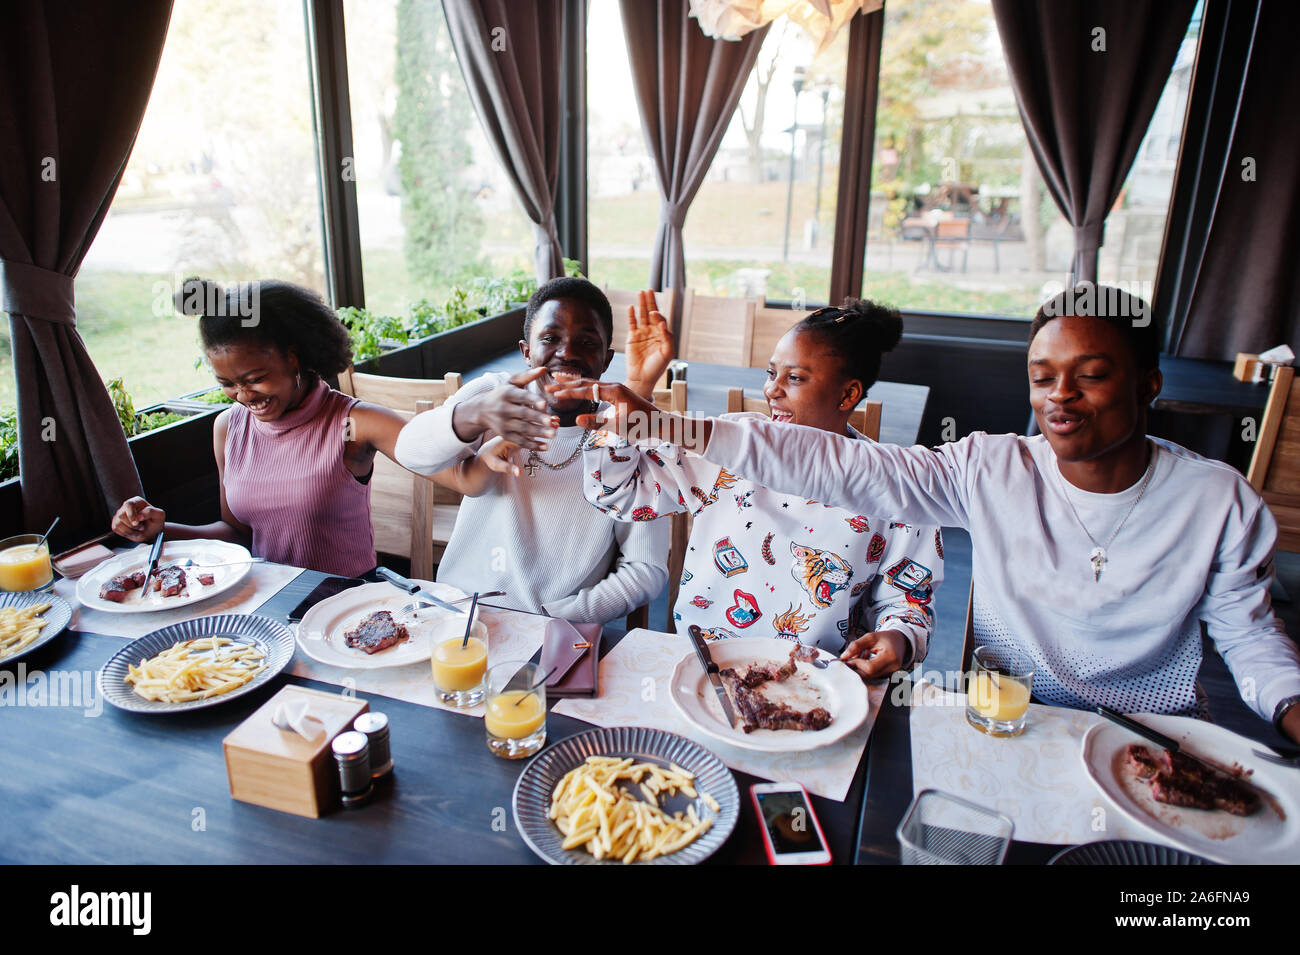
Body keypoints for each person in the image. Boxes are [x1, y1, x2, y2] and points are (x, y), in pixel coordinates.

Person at [552, 285, 1300, 743]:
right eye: (1042, 377)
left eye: (1091, 375)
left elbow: (1248, 631)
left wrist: (901, 640)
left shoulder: (1218, 501)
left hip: (1139, 728)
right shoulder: (987, 467)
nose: (1060, 396)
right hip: (714, 672)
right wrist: (647, 415)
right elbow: (812, 460)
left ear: (1148, 383)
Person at [572, 300, 944, 680]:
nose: (772, 390)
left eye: (795, 378)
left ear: (848, 395)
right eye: (771, 373)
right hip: (705, 671)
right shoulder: (725, 446)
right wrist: (638, 387)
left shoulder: (896, 485)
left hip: (821, 682)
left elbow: (910, 600)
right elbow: (615, 493)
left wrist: (898, 636)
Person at [392, 277, 668, 624]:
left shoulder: (631, 435)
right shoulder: (494, 394)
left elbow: (646, 569)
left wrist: (551, 618)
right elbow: (409, 451)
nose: (567, 353)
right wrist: (475, 415)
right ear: (526, 352)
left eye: (586, 342)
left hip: (553, 630)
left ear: (605, 359)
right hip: (458, 615)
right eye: (550, 338)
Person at [111, 279, 410, 578]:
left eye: (254, 378)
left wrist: (456, 421)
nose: (243, 395)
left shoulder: (353, 422)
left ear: (293, 358)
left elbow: (450, 467)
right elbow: (237, 533)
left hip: (347, 604)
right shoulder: (228, 427)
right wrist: (161, 530)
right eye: (227, 384)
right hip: (265, 601)